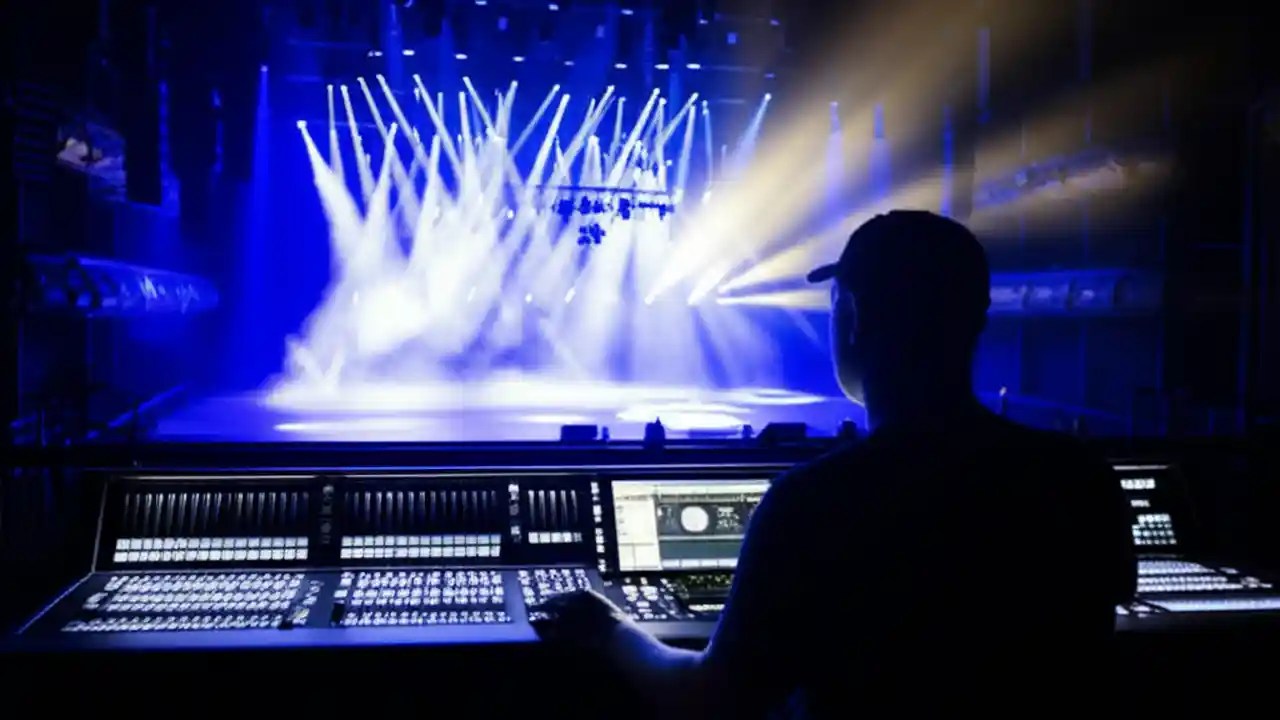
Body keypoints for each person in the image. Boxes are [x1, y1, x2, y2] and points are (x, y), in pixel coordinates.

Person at [533, 210, 1137, 717]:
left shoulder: (815, 502)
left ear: (852, 316)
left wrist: (609, 630)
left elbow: (711, 698)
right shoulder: (1082, 479)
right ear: (976, 321)